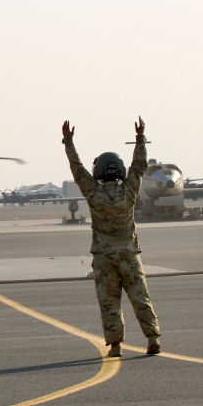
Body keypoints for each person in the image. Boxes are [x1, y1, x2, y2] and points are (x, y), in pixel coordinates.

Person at [62, 117, 161, 357]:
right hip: (129, 254)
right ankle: (152, 339)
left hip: (105, 257)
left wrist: (68, 141)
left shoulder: (93, 192)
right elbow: (139, 166)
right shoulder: (129, 191)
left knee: (109, 303)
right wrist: (140, 138)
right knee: (140, 297)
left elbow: (77, 170)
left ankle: (116, 346)